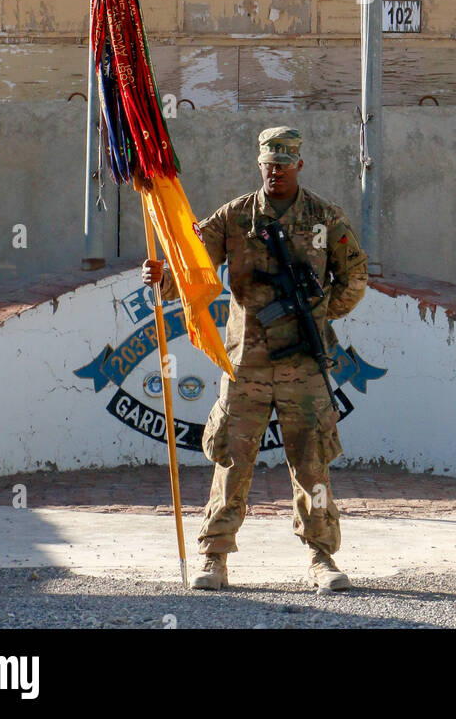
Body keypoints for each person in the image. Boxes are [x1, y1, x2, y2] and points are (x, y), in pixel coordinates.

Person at [142, 126, 369, 593]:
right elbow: (195, 268)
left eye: (284, 165)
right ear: (259, 164)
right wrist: (163, 278)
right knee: (232, 459)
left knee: (312, 462)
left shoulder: (325, 219)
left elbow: (355, 275)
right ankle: (215, 556)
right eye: (268, 164)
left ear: (298, 166)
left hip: (304, 363)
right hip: (245, 363)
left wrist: (319, 314)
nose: (275, 172)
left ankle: (321, 557)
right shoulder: (235, 217)